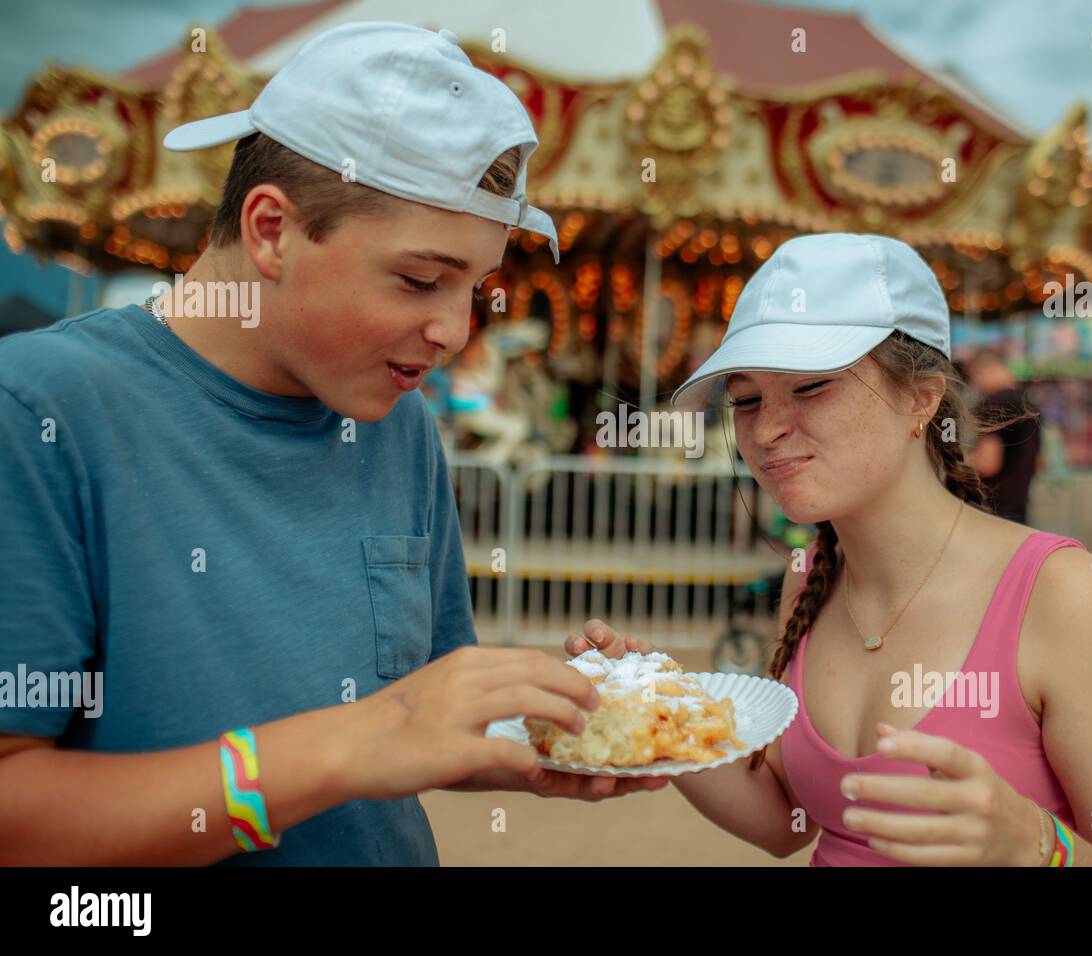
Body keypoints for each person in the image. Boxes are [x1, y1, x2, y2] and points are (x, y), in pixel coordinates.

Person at [0, 22, 664, 867]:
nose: (456, 330)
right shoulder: (38, 413)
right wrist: (349, 743)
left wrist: (569, 717)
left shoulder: (396, 421)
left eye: (475, 286)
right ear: (271, 229)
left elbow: (410, 717)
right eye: (421, 280)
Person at [571, 234, 1092, 865]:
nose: (767, 429)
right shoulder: (809, 578)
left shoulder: (1066, 595)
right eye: (747, 399)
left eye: (812, 387)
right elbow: (786, 820)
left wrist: (1038, 848)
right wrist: (657, 713)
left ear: (921, 397)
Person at [964, 348, 1041, 523]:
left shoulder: (994, 403)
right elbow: (1039, 461)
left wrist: (954, 461)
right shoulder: (1029, 403)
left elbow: (987, 463)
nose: (975, 385)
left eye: (973, 377)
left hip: (991, 510)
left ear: (981, 371)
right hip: (1019, 511)